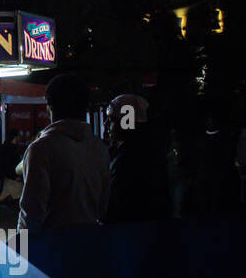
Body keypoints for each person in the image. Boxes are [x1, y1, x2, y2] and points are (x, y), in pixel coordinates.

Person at [19, 76, 109, 231]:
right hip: (91, 243)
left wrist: (20, 248)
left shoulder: (41, 149)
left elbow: (32, 212)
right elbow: (104, 206)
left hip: (53, 246)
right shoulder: (98, 147)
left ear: (49, 107)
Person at [104, 94, 169, 224]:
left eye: (111, 120)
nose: (106, 124)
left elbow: (117, 205)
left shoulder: (126, 158)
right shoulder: (150, 150)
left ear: (126, 122)